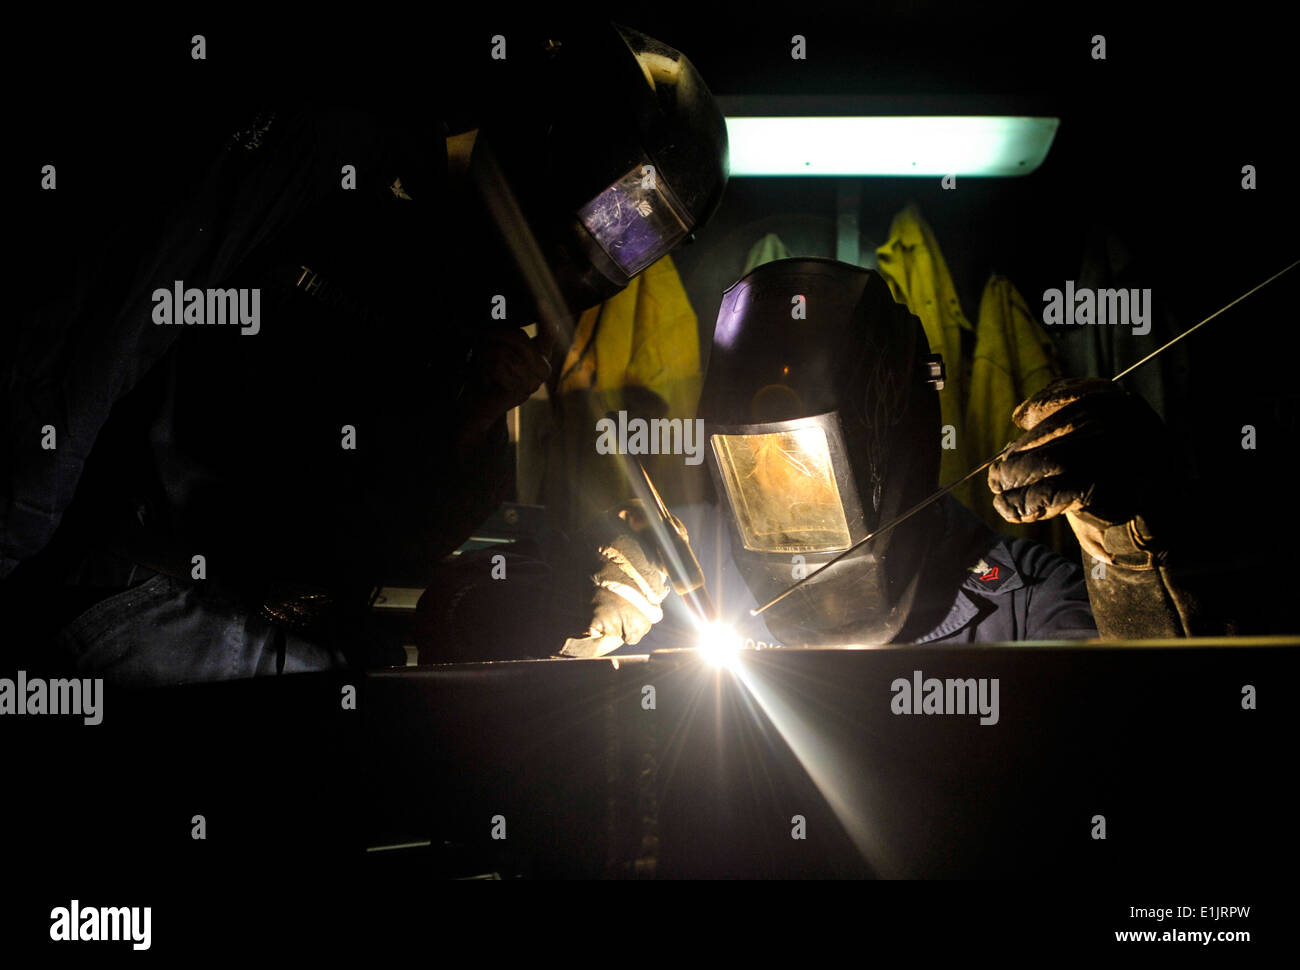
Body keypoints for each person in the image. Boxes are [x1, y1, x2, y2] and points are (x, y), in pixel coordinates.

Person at [0, 23, 729, 684]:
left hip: (309, 631)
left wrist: (571, 559)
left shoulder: (480, 291)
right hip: (156, 599)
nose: (568, 283)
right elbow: (89, 352)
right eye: (573, 246)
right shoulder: (326, 151)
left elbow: (402, 544)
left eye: (604, 262)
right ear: (547, 145)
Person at [575, 257, 1233, 653]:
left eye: (805, 463)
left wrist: (1130, 549)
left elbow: (1155, 725)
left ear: (885, 448)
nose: (786, 492)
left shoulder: (1024, 603)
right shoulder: (695, 573)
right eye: (757, 472)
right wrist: (601, 588)